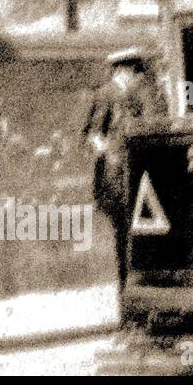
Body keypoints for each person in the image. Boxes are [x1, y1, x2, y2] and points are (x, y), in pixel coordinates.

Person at [82, 47, 164, 285]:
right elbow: (93, 134)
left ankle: (140, 281)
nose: (136, 77)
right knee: (124, 231)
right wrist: (110, 155)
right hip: (117, 174)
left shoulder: (136, 95)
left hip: (137, 169)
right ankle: (125, 284)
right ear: (120, 71)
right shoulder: (106, 95)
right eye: (132, 71)